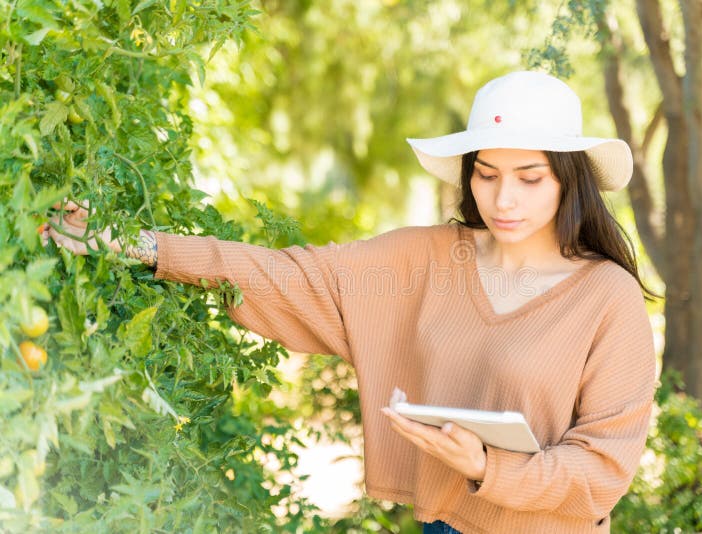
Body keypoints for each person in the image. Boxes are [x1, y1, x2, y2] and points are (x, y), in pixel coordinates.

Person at [42, 71, 657, 534]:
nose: (503, 199)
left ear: (569, 179)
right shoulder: (427, 259)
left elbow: (602, 470)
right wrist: (136, 243)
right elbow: (284, 276)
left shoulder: (608, 298)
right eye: (486, 173)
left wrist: (488, 467)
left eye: (530, 177)